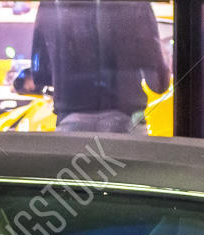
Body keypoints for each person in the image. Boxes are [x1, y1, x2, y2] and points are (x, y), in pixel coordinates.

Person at [28, 0, 168, 134]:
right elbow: (158, 83)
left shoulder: (50, 4)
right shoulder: (136, 4)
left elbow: (41, 75)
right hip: (127, 121)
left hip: (71, 119)